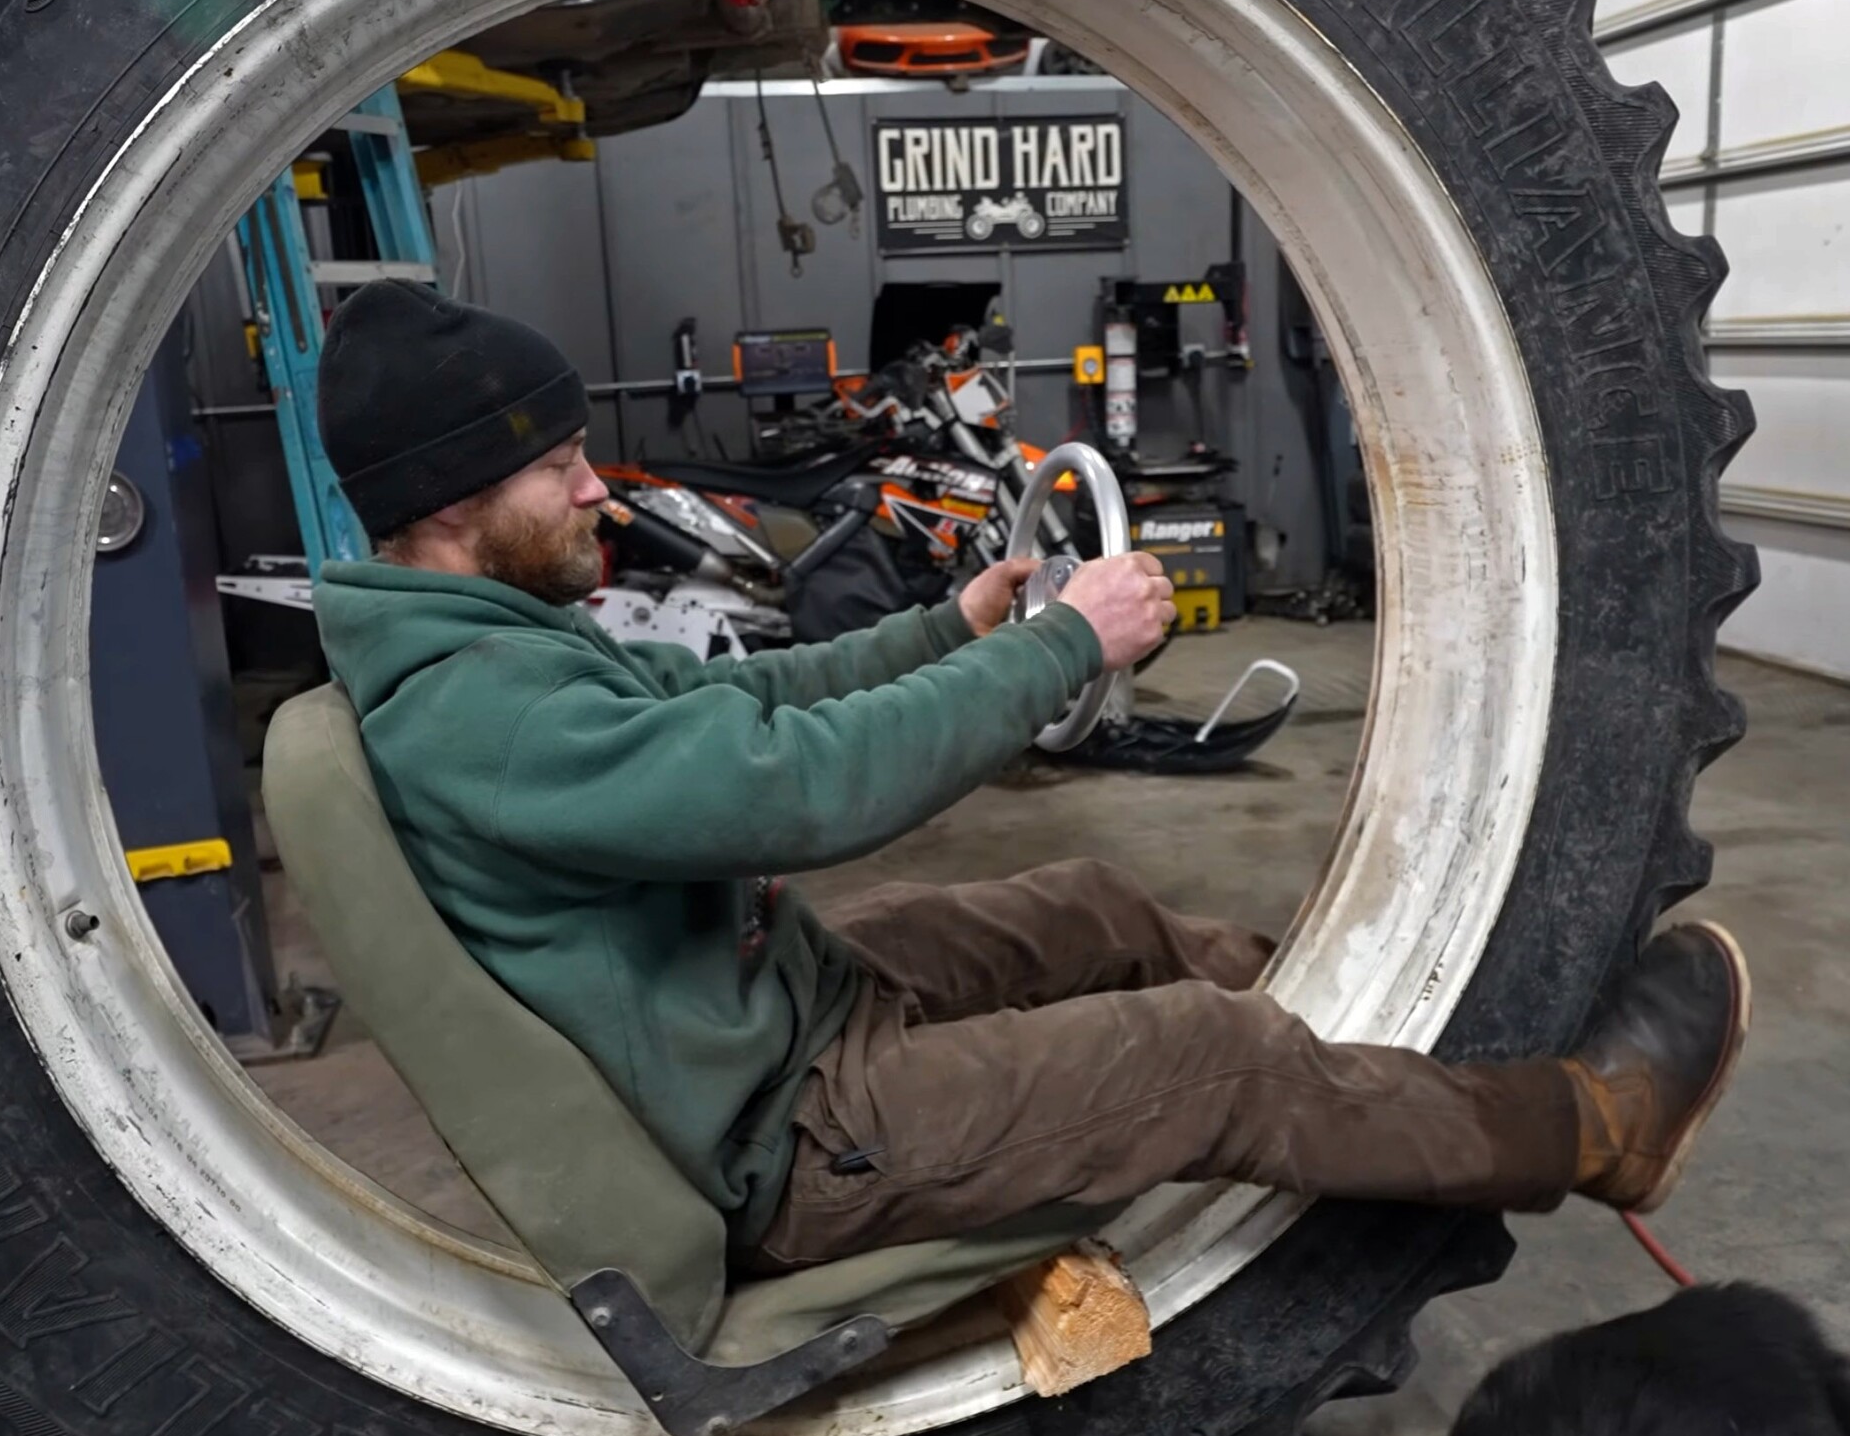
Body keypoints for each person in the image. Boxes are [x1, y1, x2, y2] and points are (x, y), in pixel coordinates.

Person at [307, 282, 1748, 1273]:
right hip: (789, 1141)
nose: (596, 490)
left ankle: (1386, 1066)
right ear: (450, 500)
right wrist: (1060, 648)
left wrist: (954, 627)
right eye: (556, 466)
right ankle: (1597, 1132)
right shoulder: (477, 708)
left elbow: (739, 698)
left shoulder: (499, 644)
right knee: (1206, 1054)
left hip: (778, 1019)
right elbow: (801, 787)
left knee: (1091, 908)